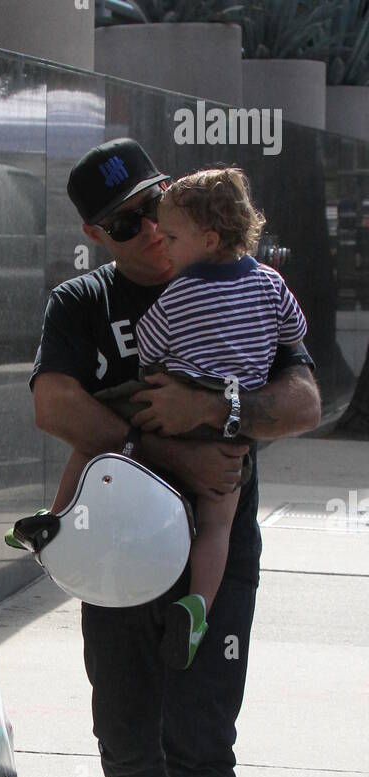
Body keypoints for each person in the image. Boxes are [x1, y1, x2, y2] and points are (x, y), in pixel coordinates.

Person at [30, 138, 320, 777]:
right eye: (128, 223)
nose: (151, 231)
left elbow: (302, 401)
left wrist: (216, 408)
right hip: (113, 556)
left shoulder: (243, 285)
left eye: (158, 207)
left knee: (199, 742)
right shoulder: (85, 301)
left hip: (212, 554)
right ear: (98, 232)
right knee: (125, 735)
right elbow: (50, 400)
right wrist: (147, 441)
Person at [135, 167, 308, 670]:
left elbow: (149, 344)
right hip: (231, 419)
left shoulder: (179, 293)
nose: (162, 246)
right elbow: (294, 329)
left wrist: (155, 374)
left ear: (207, 239)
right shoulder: (270, 284)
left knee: (115, 444)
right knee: (217, 525)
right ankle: (199, 605)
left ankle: (58, 516)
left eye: (171, 238)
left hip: (176, 397)